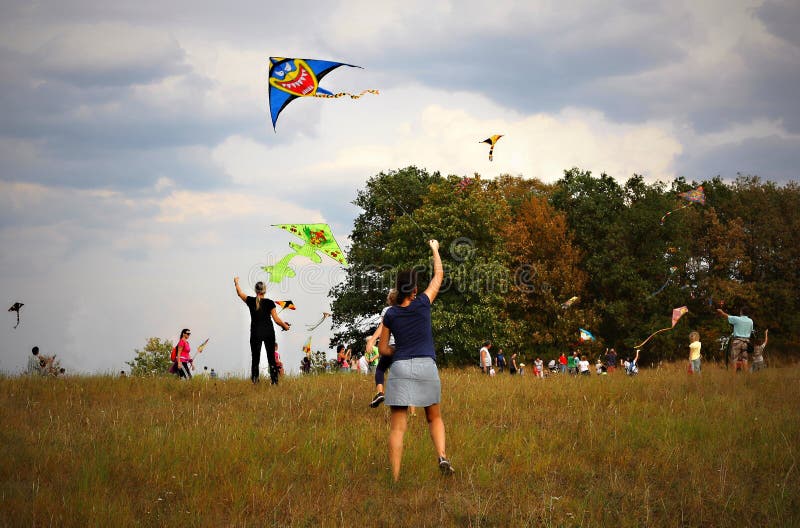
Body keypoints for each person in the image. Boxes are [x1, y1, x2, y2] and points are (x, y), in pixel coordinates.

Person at [378, 239, 454, 481]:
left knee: (398, 427)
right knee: (434, 417)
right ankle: (442, 455)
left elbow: (382, 350)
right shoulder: (423, 303)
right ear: (414, 289)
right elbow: (439, 275)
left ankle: (396, 479)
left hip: (400, 367)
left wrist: (398, 350)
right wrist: (435, 250)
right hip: (426, 366)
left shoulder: (390, 314)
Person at [234, 277, 290, 384]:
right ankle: (274, 382)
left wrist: (236, 282)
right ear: (265, 291)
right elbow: (276, 319)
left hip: (255, 333)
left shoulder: (250, 301)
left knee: (255, 359)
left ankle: (255, 381)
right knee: (271, 359)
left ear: (256, 290)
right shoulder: (269, 303)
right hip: (269, 332)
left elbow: (239, 293)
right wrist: (284, 326)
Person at [366, 289, 398, 408]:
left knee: (380, 369)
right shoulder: (405, 309)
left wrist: (372, 340)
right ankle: (412, 411)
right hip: (403, 347)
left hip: (390, 347)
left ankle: (380, 392)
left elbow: (383, 326)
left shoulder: (387, 310)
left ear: (390, 299)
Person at [717, 306, 754, 373]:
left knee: (734, 359)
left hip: (737, 341)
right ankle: (746, 376)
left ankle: (733, 376)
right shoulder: (751, 321)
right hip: (746, 342)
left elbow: (727, 316)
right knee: (745, 359)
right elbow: (751, 331)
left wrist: (721, 312)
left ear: (741, 312)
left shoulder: (737, 319)